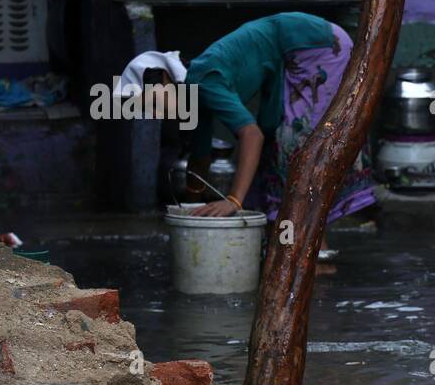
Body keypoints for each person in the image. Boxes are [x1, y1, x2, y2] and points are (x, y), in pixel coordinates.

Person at [121, 13, 375, 242]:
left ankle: (315, 249)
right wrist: (189, 210)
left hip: (318, 45)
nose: (157, 112)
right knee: (270, 151)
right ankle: (279, 244)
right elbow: (200, 158)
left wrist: (233, 200)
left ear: (167, 80)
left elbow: (250, 134)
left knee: (297, 147)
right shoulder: (192, 101)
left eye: (155, 101)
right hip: (285, 54)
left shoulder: (204, 80)